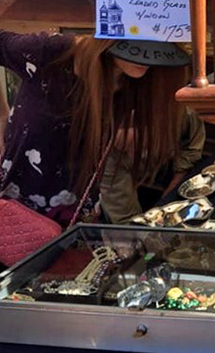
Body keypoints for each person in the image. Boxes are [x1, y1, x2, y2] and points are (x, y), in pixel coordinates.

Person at [0, 31, 191, 226]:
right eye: (139, 43)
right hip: (13, 208)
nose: (148, 58)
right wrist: (2, 116)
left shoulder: (144, 80)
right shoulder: (51, 52)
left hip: (78, 217)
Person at [99, 107, 206, 223]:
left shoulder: (182, 112)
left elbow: (190, 146)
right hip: (123, 186)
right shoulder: (108, 157)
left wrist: (172, 192)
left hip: (165, 171)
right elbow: (126, 221)